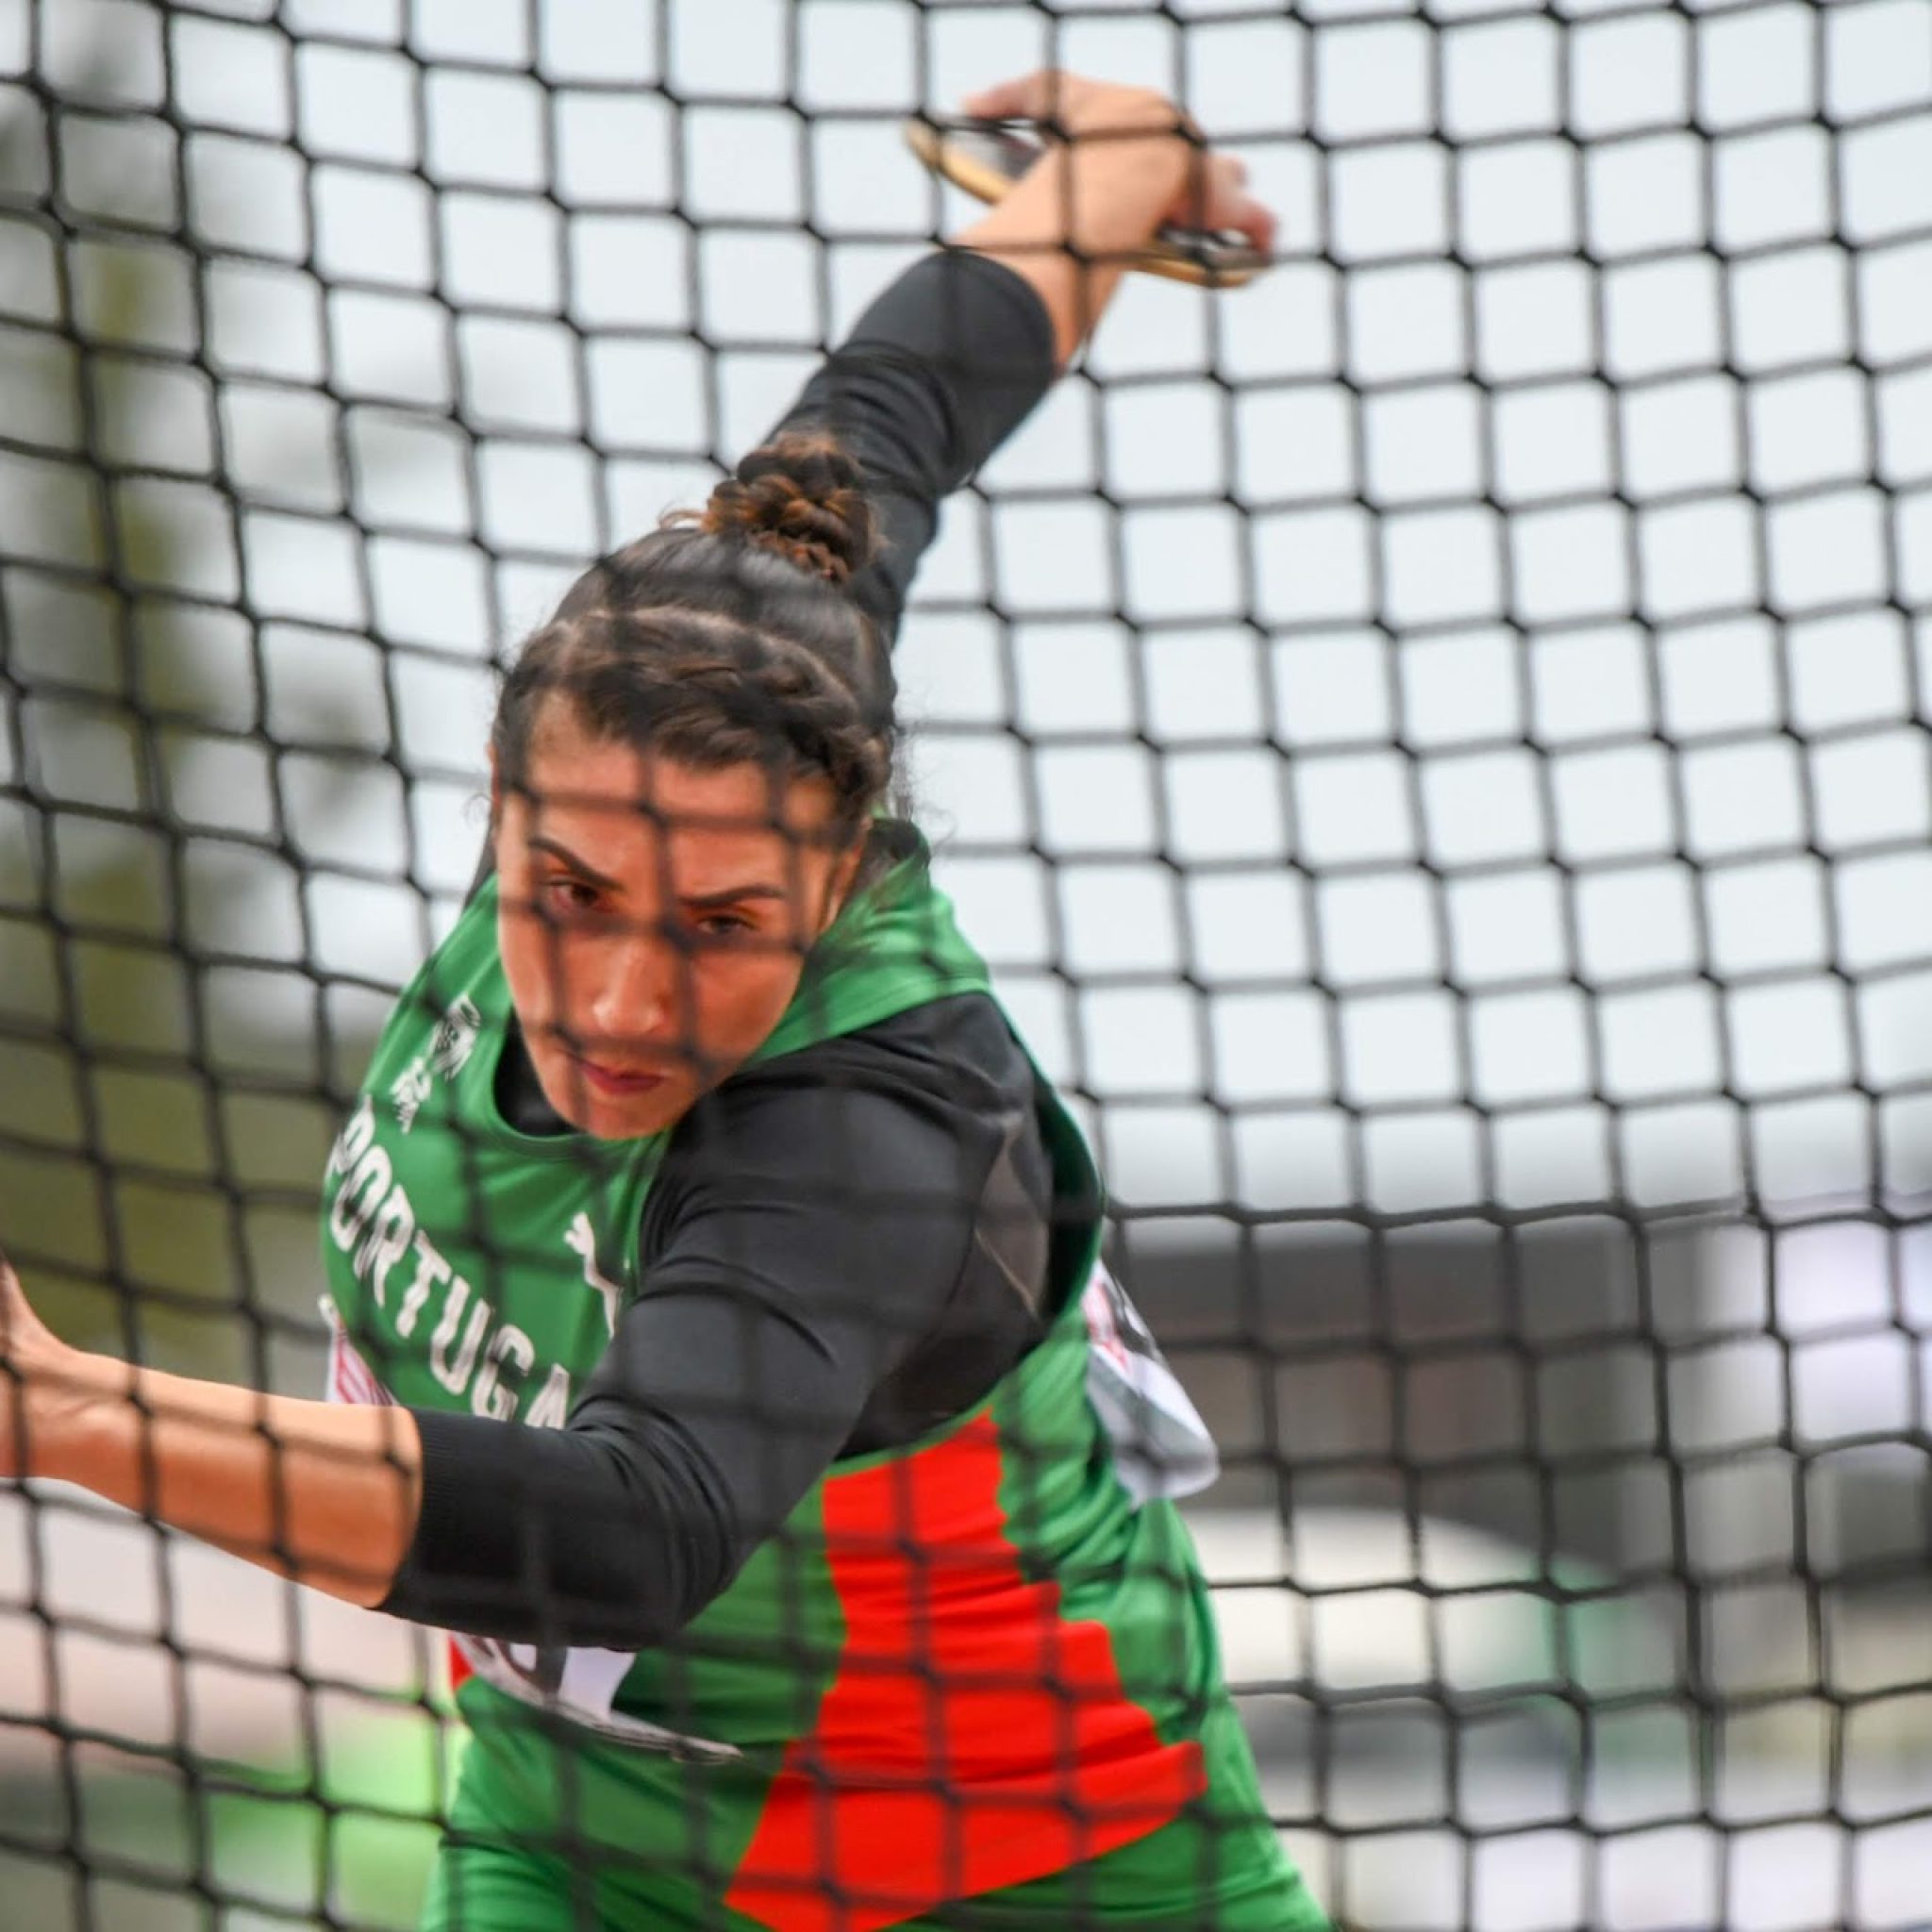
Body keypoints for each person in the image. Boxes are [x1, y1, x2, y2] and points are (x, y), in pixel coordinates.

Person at [1, 71, 1328, 1932]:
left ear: (840, 865)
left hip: (1030, 1880)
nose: (623, 994)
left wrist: (52, 1413)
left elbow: (630, 1530)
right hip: (572, 1852)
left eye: (720, 921)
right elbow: (900, 407)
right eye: (569, 894)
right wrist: (1102, 180)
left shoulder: (873, 1124)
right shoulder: (701, 668)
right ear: (503, 795)